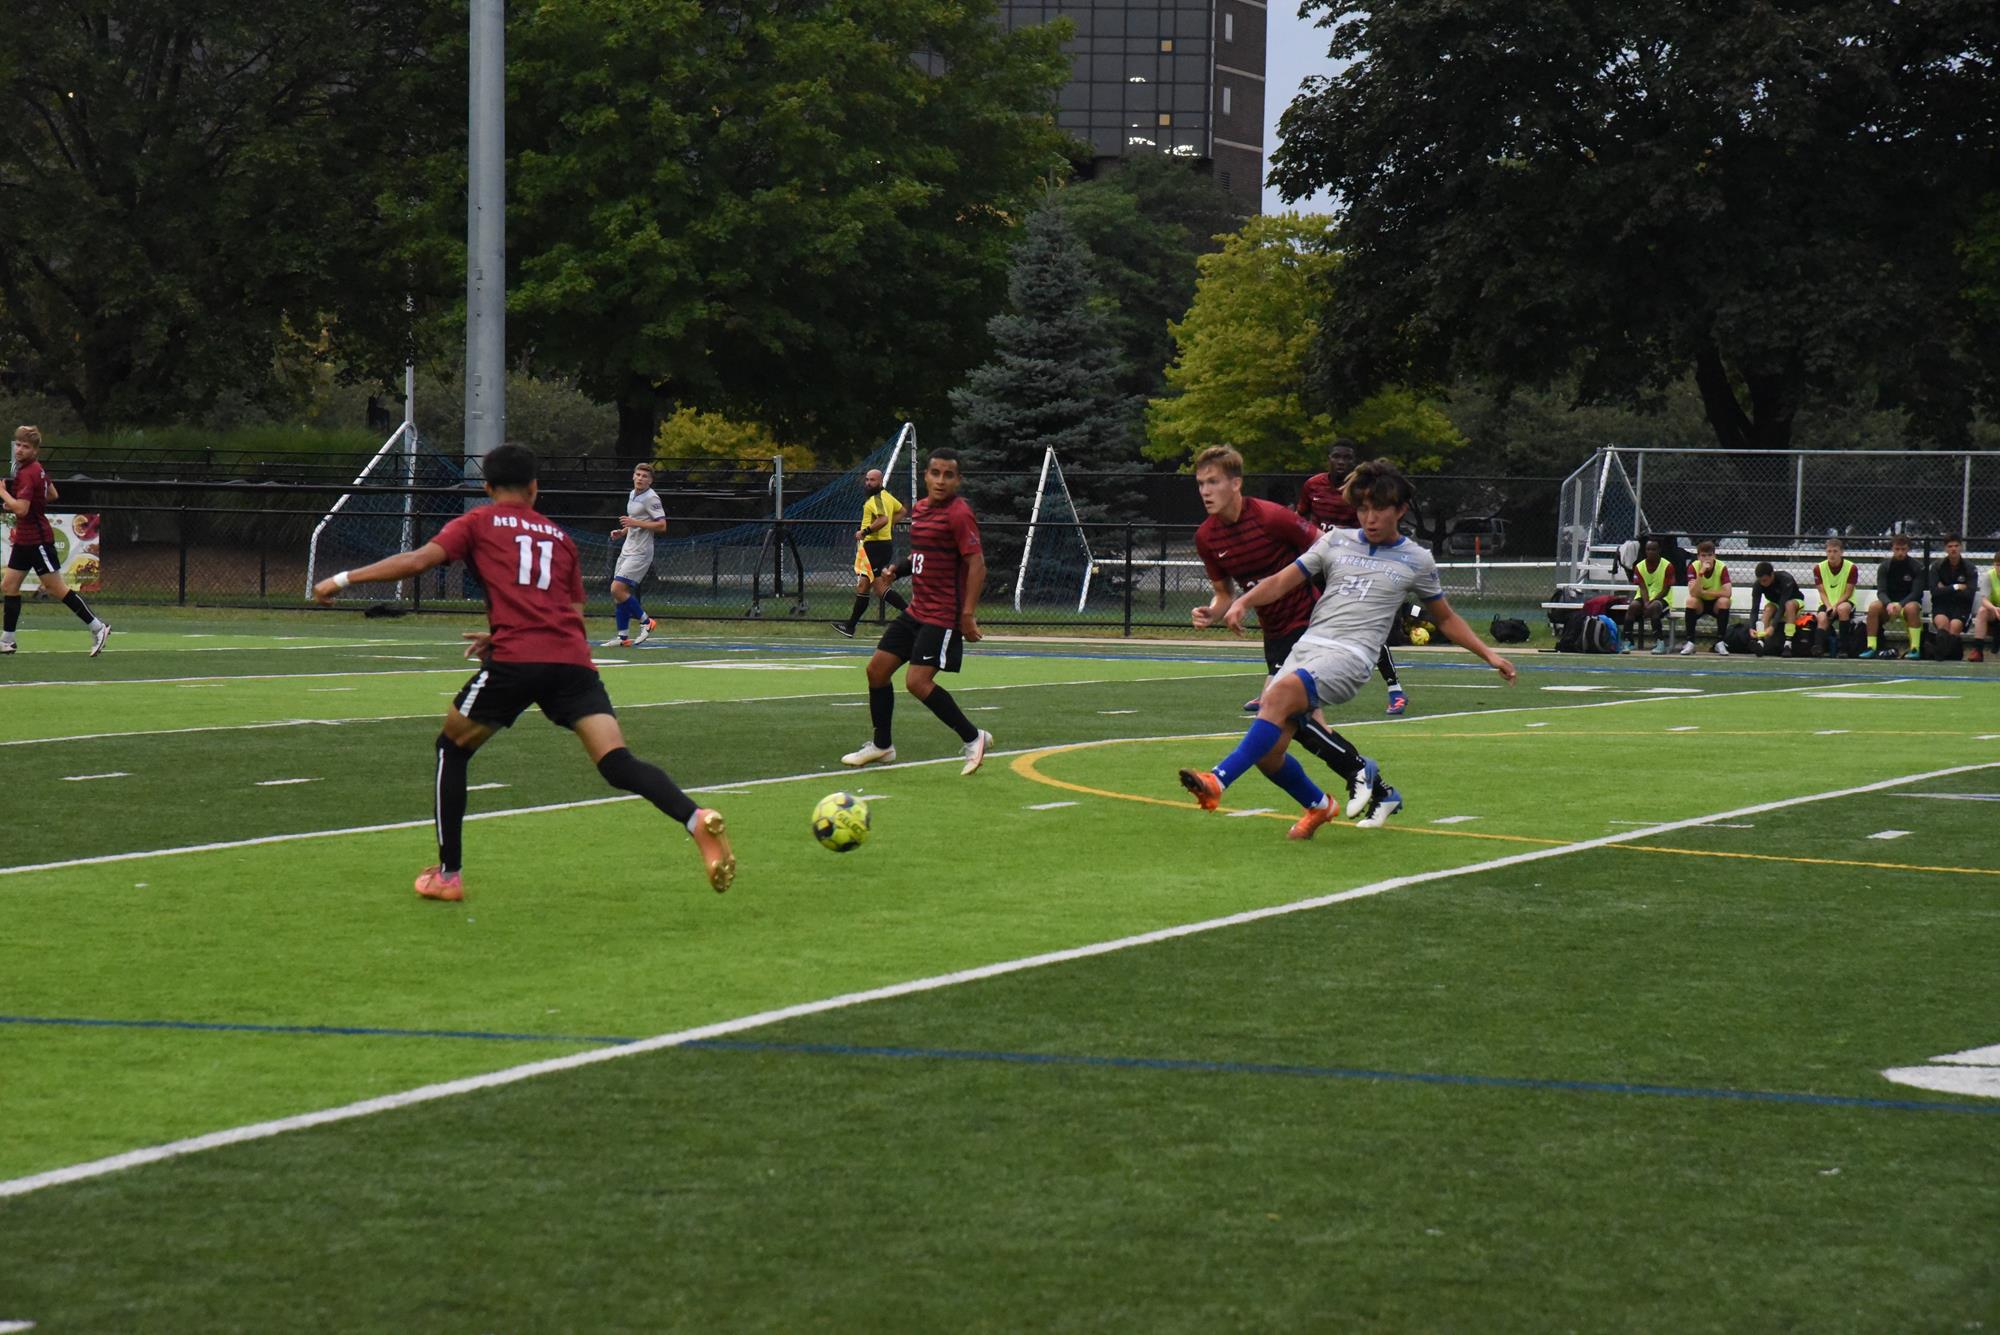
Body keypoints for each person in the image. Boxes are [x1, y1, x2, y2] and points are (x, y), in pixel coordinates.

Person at [311, 443, 733, 900]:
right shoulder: (559, 536)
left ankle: (448, 875)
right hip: (571, 663)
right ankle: (695, 820)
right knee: (617, 762)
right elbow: (570, 609)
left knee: (450, 749)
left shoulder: (477, 521)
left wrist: (342, 579)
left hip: (517, 661)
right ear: (535, 489)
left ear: (489, 488)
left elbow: (416, 562)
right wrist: (504, 630)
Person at [1180, 458, 1517, 835]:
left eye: (1379, 509)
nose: (1369, 518)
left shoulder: (1418, 560)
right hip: (1307, 646)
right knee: (1269, 751)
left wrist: (1489, 653)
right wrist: (1242, 602)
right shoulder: (1336, 540)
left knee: (1279, 696)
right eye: (1363, 509)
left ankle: (1217, 781)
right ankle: (1321, 805)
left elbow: (1446, 618)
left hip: (1352, 656)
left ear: (1401, 510)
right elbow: (1281, 580)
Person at [1189, 446, 1379, 812]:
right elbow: (1223, 594)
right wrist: (1213, 613)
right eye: (1200, 484)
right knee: (1277, 744)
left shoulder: (1272, 517)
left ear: (1236, 483)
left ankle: (1219, 779)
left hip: (1309, 627)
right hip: (1274, 636)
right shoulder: (1207, 537)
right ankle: (1348, 793)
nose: (1205, 491)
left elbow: (1325, 550)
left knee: (1274, 713)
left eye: (1213, 482)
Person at [840, 449, 992, 774]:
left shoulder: (959, 513)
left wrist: (967, 614)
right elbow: (921, 555)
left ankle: (972, 737)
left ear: (957, 480)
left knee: (917, 682)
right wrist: (895, 569)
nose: (940, 480)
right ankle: (882, 746)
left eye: (948, 475)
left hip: (943, 614)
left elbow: (976, 564)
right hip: (917, 610)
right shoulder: (921, 510)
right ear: (925, 475)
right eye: (935, 473)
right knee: (876, 671)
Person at [1296, 437, 1410, 715]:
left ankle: (1395, 690)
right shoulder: (1313, 486)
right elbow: (1299, 519)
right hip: (1319, 566)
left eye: (1347, 458)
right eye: (1337, 457)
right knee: (1300, 622)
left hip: (1352, 569)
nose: (1342, 462)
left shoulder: (1362, 492)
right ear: (1329, 459)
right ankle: (1279, 686)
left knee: (1365, 628)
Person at [0, 425, 110, 656]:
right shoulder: (34, 469)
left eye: (25, 446)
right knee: (9, 585)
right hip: (24, 539)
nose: (20, 449)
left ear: (35, 450)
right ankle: (8, 640)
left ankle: (98, 627)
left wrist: (4, 494)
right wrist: (21, 502)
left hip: (38, 541)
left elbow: (21, 509)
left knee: (55, 588)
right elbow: (52, 494)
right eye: (18, 445)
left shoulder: (30, 472)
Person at [832, 467, 910, 638]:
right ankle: (850, 626)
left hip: (875, 546)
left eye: (872, 480)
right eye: (867, 479)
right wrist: (889, 526)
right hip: (878, 546)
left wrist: (864, 532)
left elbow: (883, 519)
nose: (868, 483)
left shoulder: (877, 499)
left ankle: (912, 616)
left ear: (880, 481)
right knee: (863, 585)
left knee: (880, 587)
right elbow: (902, 511)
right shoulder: (887, 497)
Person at [603, 462, 664, 648]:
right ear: (633, 476)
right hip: (628, 548)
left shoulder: (651, 498)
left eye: (645, 476)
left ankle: (646, 622)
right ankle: (623, 638)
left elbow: (662, 525)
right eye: (638, 475)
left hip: (641, 552)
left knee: (616, 588)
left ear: (650, 481)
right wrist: (623, 531)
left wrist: (635, 522)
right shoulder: (632, 494)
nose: (640, 478)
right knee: (620, 594)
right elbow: (635, 523)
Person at [1862, 534, 1925, 659]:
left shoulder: (1917, 567)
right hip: (1889, 605)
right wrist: (1889, 603)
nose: (1900, 552)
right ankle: (1871, 647)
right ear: (1892, 549)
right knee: (1874, 607)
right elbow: (1881, 591)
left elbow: (1916, 592)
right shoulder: (1885, 567)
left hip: (1907, 604)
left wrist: (1900, 604)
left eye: (1903, 549)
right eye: (1897, 549)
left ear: (1908, 549)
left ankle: (1914, 648)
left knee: (1912, 608)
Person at [1623, 537, 1676, 653]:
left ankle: (1659, 642)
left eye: (1653, 549)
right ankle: (1628, 641)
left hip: (1663, 598)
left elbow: (1666, 589)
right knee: (1632, 607)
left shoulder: (1668, 566)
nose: (1650, 552)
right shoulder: (1639, 566)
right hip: (1644, 597)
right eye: (1648, 549)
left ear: (1659, 550)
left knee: (1655, 607)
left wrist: (1650, 603)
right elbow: (1642, 587)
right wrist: (1646, 602)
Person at [1679, 539, 1732, 655]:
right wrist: (1701, 573)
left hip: (1715, 603)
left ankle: (1720, 642)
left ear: (1714, 555)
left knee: (1724, 601)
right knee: (1691, 601)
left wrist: (1704, 593)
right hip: (1700, 603)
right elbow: (1693, 593)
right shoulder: (1693, 567)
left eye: (1710, 555)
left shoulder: (1721, 567)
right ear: (1698, 557)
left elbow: (1728, 592)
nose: (1707, 558)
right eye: (1703, 555)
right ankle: (1690, 642)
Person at [1813, 537, 1861, 658]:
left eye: (1835, 551)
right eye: (1829, 551)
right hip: (1827, 602)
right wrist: (1829, 606)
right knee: (1822, 616)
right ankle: (1818, 647)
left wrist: (1835, 606)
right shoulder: (1819, 568)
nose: (1832, 554)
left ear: (1841, 552)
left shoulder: (1851, 567)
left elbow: (1848, 592)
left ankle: (1843, 648)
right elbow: (1822, 592)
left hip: (1845, 601)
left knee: (1842, 609)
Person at [1748, 561, 1805, 656]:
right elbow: (1755, 608)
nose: (1762, 583)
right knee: (1768, 608)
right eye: (1760, 581)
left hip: (1793, 601)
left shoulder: (1786, 579)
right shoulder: (1758, 584)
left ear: (1772, 575)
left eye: (1765, 580)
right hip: (1776, 603)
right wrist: (1751, 627)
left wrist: (1773, 626)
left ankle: (1788, 643)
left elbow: (1783, 604)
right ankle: (1760, 642)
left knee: (1789, 605)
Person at [1930, 536, 1974, 643]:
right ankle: (1943, 655)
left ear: (1961, 547)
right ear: (1945, 548)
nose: (1953, 549)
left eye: (1956, 546)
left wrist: (1945, 589)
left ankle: (1948, 654)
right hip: (1941, 605)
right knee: (1943, 625)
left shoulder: (1969, 567)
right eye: (1950, 546)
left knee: (1954, 627)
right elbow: (1934, 592)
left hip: (1961, 606)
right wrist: (1956, 587)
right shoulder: (1937, 566)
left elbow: (1969, 594)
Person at [1969, 556, 2000, 663]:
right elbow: (1984, 600)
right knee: (1982, 611)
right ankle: (1977, 649)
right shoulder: (1989, 576)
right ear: (1994, 565)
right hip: (1995, 611)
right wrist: (1994, 608)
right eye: (1998, 565)